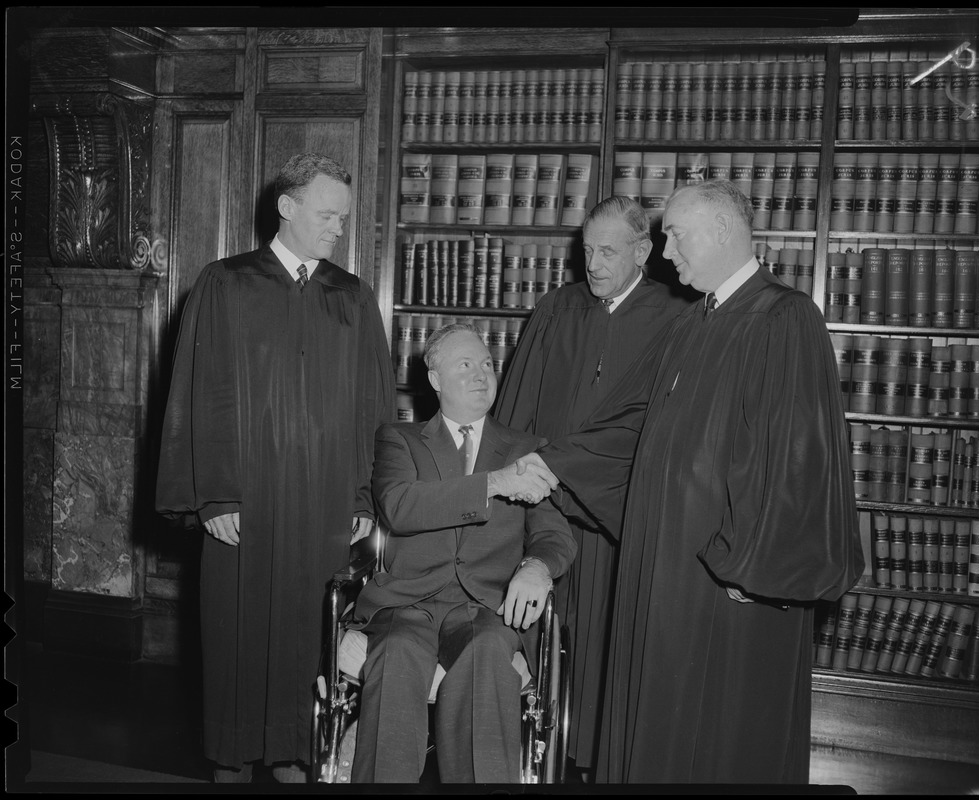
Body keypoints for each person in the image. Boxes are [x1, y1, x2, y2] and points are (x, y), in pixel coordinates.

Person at [518, 179, 864, 784]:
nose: (667, 250)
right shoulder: (692, 321)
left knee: (719, 739)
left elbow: (798, 460)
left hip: (728, 581)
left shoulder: (784, 318)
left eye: (676, 234)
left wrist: (751, 569)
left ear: (723, 230)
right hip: (666, 568)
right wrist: (553, 464)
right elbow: (629, 423)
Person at [155, 153, 395, 783]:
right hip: (246, 501)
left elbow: (372, 407)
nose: (338, 227)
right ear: (287, 207)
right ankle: (231, 764)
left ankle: (298, 755)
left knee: (307, 639)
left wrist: (362, 497)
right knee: (239, 637)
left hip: (323, 502)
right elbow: (200, 394)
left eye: (343, 217)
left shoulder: (352, 297)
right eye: (327, 214)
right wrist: (215, 496)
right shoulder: (225, 283)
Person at [492, 195, 689, 777]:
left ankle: (591, 763)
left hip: (615, 516)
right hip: (543, 506)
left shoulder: (675, 316)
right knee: (532, 642)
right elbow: (516, 413)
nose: (593, 264)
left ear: (643, 252)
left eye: (608, 251)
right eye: (587, 250)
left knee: (606, 650)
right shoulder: (557, 308)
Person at [349, 322, 575, 784]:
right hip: (407, 602)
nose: (480, 374)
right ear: (434, 379)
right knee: (395, 654)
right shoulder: (400, 440)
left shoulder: (527, 448)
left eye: (487, 364)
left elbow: (555, 535)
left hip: (483, 608)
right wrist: (495, 482)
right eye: (465, 364)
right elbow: (399, 506)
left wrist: (537, 566)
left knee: (488, 653)